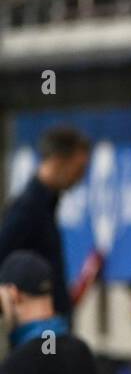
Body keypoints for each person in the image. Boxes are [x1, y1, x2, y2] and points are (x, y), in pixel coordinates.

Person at [0, 126, 90, 319]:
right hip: (38, 329)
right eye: (78, 169)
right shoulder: (28, 210)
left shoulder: (46, 206)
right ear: (58, 160)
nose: (80, 178)